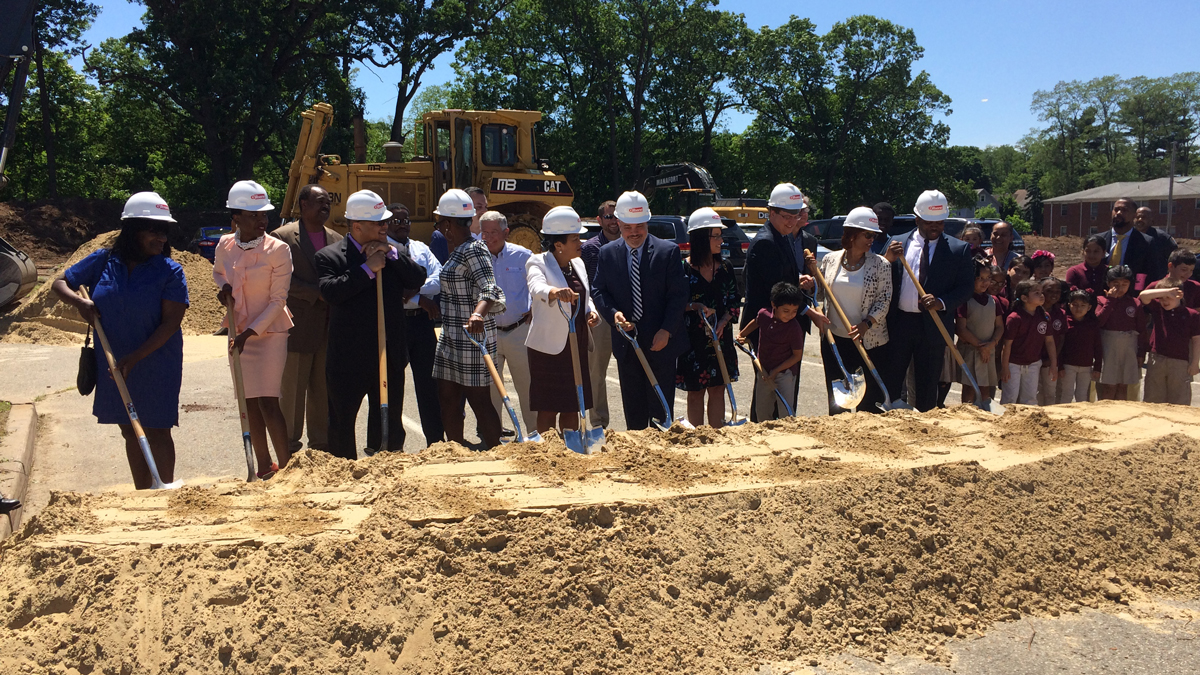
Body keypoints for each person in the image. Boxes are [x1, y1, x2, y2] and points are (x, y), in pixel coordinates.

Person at [52, 192, 188, 489]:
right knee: (129, 429)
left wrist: (135, 358)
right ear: (133, 230)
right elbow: (60, 283)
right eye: (154, 230)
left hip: (155, 361)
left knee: (157, 428)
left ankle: (163, 492)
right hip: (113, 359)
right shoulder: (103, 261)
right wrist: (80, 303)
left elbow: (170, 325)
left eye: (164, 231)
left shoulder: (171, 272)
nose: (161, 238)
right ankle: (142, 493)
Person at [317, 190, 428, 458]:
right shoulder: (330, 256)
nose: (385, 227)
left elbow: (417, 278)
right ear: (357, 226)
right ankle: (344, 472)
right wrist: (367, 269)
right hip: (348, 356)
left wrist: (390, 256)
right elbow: (330, 292)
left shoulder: (395, 251)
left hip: (387, 353)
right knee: (342, 420)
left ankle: (385, 461)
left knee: (388, 419)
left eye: (385, 222)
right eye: (379, 223)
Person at [214, 181, 295, 477]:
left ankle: (286, 467)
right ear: (236, 217)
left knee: (268, 400)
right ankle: (263, 466)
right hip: (239, 329)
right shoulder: (224, 245)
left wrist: (251, 333)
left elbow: (278, 300)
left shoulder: (279, 250)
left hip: (270, 332)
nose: (263, 221)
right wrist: (223, 289)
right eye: (255, 215)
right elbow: (219, 272)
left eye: (265, 215)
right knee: (248, 402)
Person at [592, 191, 689, 431]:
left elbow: (678, 296)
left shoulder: (667, 252)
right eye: (627, 228)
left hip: (660, 343)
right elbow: (599, 290)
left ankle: (662, 460)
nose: (634, 233)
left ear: (647, 222)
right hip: (626, 343)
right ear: (618, 224)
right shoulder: (607, 253)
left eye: (639, 227)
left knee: (660, 410)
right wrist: (613, 314)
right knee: (634, 411)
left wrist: (666, 330)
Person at [740, 183, 830, 419]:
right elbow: (777, 291)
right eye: (787, 216)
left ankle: (783, 426)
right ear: (771, 213)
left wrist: (796, 278)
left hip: (784, 324)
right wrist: (811, 313)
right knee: (768, 389)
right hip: (767, 326)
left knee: (785, 387)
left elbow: (783, 277)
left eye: (796, 215)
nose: (792, 221)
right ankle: (763, 432)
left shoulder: (782, 237)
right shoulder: (766, 242)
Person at [884, 189, 975, 412]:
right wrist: (887, 259)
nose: (935, 227)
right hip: (900, 323)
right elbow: (881, 278)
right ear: (917, 219)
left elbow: (966, 288)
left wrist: (942, 302)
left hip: (934, 325)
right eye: (929, 222)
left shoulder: (958, 249)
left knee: (926, 384)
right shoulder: (898, 243)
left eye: (940, 223)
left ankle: (924, 424)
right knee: (893, 378)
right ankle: (889, 421)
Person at [431, 189, 507, 448]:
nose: (438, 227)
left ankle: (495, 450)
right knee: (447, 397)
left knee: (479, 400)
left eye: (439, 222)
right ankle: (455, 449)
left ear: (449, 224)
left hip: (473, 339)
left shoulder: (475, 250)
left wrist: (478, 314)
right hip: (450, 335)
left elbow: (490, 288)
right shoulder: (456, 250)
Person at [271, 184, 342, 458]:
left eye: (328, 204)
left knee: (323, 391)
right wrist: (316, 293)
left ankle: (321, 446)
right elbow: (280, 279)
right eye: (319, 202)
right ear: (302, 204)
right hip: (296, 327)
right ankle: (287, 447)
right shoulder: (282, 237)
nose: (325, 208)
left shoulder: (336, 238)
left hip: (329, 327)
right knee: (291, 391)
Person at [524, 206, 600, 433]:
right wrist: (554, 292)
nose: (581, 242)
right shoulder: (537, 262)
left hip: (575, 344)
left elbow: (585, 296)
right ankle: (547, 452)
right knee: (547, 407)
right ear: (558, 244)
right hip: (549, 349)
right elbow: (536, 286)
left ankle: (571, 450)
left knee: (573, 406)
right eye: (575, 238)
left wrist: (590, 312)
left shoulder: (578, 263)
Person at [811, 206, 892, 415]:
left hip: (869, 341)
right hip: (835, 341)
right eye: (867, 234)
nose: (871, 239)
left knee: (868, 403)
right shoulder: (830, 260)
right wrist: (810, 285)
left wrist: (866, 325)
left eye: (873, 235)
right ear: (852, 234)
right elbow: (821, 294)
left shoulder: (880, 265)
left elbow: (884, 300)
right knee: (839, 401)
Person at [676, 208, 741, 427]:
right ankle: (697, 436)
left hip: (720, 339)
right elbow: (673, 304)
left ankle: (717, 434)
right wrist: (695, 306)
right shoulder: (682, 269)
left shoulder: (725, 268)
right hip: (693, 342)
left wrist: (723, 321)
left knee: (717, 389)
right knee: (695, 392)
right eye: (716, 235)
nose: (721, 240)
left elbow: (734, 303)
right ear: (702, 237)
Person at [386, 202, 444, 446]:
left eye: (406, 220)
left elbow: (440, 277)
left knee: (429, 384)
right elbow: (391, 289)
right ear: (386, 224)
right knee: (393, 385)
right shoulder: (383, 250)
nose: (402, 225)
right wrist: (421, 299)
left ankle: (436, 441)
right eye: (396, 221)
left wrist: (416, 292)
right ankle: (392, 444)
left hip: (421, 324)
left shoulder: (420, 248)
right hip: (394, 324)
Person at [480, 211, 536, 434]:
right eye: (485, 232)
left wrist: (534, 307)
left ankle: (534, 432)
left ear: (506, 232)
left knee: (527, 385)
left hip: (518, 331)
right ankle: (494, 434)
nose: (489, 237)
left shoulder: (523, 256)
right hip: (488, 331)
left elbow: (535, 284)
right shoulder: (476, 257)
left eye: (494, 232)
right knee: (491, 388)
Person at [737, 282, 807, 420]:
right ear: (774, 305)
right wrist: (742, 334)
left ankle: (787, 436)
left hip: (784, 374)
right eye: (786, 311)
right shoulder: (764, 315)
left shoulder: (794, 328)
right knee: (762, 410)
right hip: (764, 371)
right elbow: (756, 322)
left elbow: (797, 356)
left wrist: (776, 371)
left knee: (785, 411)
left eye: (794, 311)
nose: (790, 315)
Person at [579, 200, 619, 428]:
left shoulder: (630, 244)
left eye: (616, 216)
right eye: (608, 217)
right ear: (599, 220)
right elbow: (583, 284)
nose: (613, 221)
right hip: (600, 316)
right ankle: (598, 422)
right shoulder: (590, 248)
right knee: (596, 373)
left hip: (627, 315)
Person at [1138, 280, 1200, 405]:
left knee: (1179, 399)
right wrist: (1166, 291)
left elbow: (1196, 340)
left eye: (1168, 298)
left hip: (1180, 361)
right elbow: (1143, 296)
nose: (1164, 301)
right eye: (1161, 298)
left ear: (1180, 296)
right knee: (1153, 398)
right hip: (1157, 358)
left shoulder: (1192, 315)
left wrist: (1195, 363)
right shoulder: (1157, 308)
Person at [954, 256, 1004, 405]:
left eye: (988, 278)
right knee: (969, 387)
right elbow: (961, 329)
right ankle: (968, 414)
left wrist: (991, 345)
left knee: (985, 387)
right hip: (971, 351)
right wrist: (980, 346)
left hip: (988, 351)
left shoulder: (993, 301)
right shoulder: (965, 301)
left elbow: (1000, 326)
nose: (985, 282)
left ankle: (985, 413)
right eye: (980, 278)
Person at [999, 279, 1056, 405]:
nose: (1041, 295)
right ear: (1024, 298)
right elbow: (1007, 345)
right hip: (1013, 364)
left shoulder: (1044, 316)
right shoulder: (1014, 318)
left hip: (1033, 364)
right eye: (1036, 293)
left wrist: (1053, 364)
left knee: (1030, 398)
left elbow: (1050, 342)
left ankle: (1028, 423)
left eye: (1041, 292)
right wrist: (1004, 368)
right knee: (1010, 397)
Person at [1096, 265, 1142, 401]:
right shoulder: (1102, 300)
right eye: (1116, 284)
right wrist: (1110, 301)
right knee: (1108, 386)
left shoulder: (1135, 303)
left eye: (1124, 284)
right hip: (1108, 346)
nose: (1120, 288)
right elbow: (1099, 322)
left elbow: (1141, 330)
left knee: (1123, 386)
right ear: (1108, 283)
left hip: (1128, 347)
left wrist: (1141, 352)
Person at [1059, 289, 1103, 403]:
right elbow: (1060, 346)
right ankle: (1064, 417)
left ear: (1089, 307)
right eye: (1075, 305)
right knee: (1067, 394)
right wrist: (1060, 366)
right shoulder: (1065, 321)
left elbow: (1097, 346)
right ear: (1069, 305)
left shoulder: (1092, 324)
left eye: (1083, 305)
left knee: (1082, 396)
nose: (1078, 309)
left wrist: (1097, 367)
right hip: (1068, 365)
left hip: (1086, 366)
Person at [1099, 199, 1152, 291]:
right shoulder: (1098, 240)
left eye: (1124, 210)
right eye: (1116, 209)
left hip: (1131, 297)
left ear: (1134, 215)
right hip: (1101, 294)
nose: (1118, 213)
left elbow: (1151, 273)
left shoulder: (1146, 242)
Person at [430, 186, 487, 263]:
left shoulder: (492, 236)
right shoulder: (441, 238)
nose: (484, 211)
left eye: (486, 207)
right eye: (479, 207)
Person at [1036, 277, 1067, 406]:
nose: (1054, 294)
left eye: (1057, 291)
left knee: (1050, 393)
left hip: (1051, 361)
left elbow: (1061, 339)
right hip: (1032, 360)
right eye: (1049, 291)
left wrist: (1053, 359)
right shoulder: (1034, 310)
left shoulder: (1061, 313)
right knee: (1035, 392)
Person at [1135, 205, 1177, 285]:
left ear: (1151, 220)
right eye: (1137, 217)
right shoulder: (1130, 236)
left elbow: (1175, 259)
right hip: (1135, 280)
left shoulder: (1162, 238)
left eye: (1144, 217)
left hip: (1156, 281)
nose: (1140, 220)